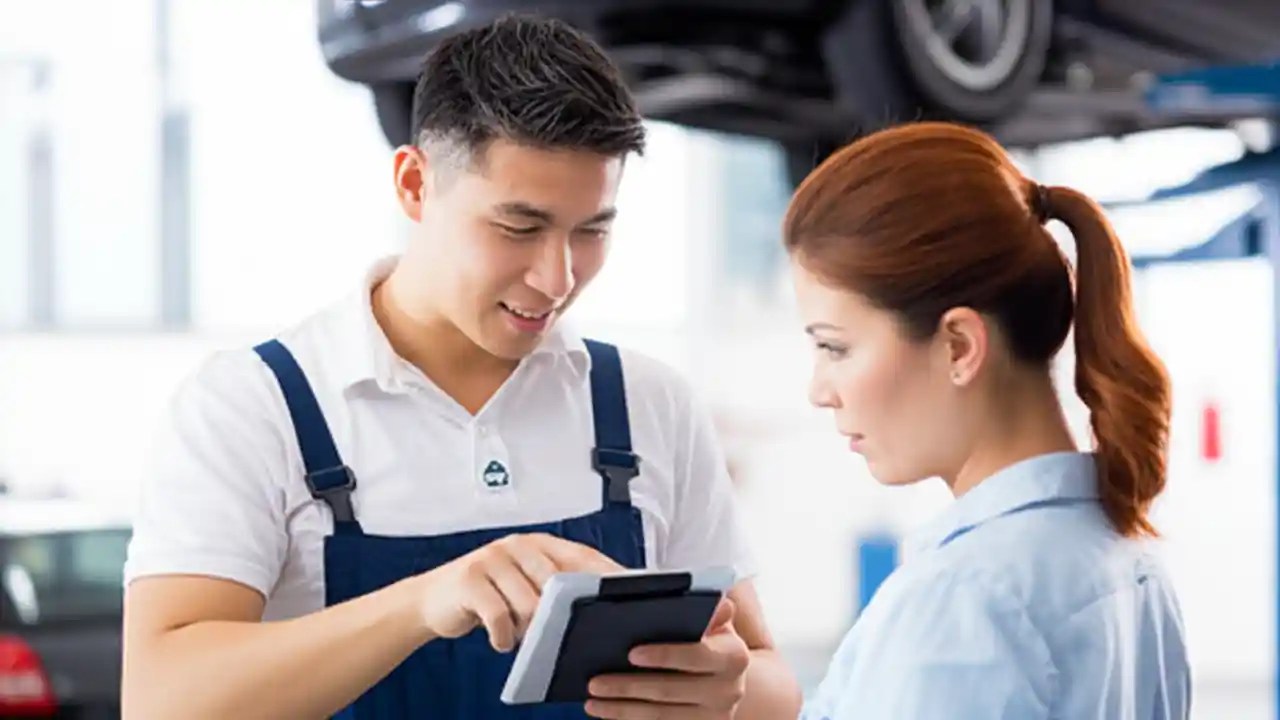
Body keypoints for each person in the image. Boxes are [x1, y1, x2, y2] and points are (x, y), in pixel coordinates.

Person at [120, 14, 801, 720]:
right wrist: (422, 603)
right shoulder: (254, 407)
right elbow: (162, 700)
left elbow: (775, 687)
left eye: (592, 230)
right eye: (519, 228)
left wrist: (730, 689)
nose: (557, 277)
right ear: (415, 184)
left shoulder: (646, 404)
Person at [784, 121, 1191, 719]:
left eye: (835, 348)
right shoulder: (1129, 564)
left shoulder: (964, 599)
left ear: (958, 347)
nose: (820, 391)